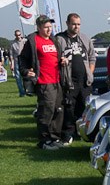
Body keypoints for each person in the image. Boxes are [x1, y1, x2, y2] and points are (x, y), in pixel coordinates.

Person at [18, 15, 65, 149]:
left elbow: (57, 57)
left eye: (50, 27)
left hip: (57, 80)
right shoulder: (33, 41)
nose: (49, 29)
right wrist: (25, 71)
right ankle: (44, 140)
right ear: (39, 27)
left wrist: (63, 61)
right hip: (44, 81)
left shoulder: (53, 40)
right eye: (46, 27)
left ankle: (54, 137)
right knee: (46, 110)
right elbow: (22, 58)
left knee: (58, 110)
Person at [56, 13, 97, 144]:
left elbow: (92, 57)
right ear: (67, 23)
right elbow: (54, 58)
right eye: (73, 24)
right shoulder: (59, 39)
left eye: (78, 24)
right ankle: (68, 133)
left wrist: (90, 73)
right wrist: (61, 61)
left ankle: (83, 132)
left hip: (84, 81)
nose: (76, 27)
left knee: (84, 106)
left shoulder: (85, 38)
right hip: (69, 80)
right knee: (69, 107)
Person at [10, 29, 28, 97]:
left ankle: (27, 90)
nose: (18, 36)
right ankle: (22, 92)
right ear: (15, 35)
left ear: (21, 35)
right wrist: (12, 64)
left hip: (24, 61)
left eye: (19, 35)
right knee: (18, 77)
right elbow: (11, 55)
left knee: (25, 76)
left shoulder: (25, 41)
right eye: (17, 35)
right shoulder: (13, 43)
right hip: (16, 61)